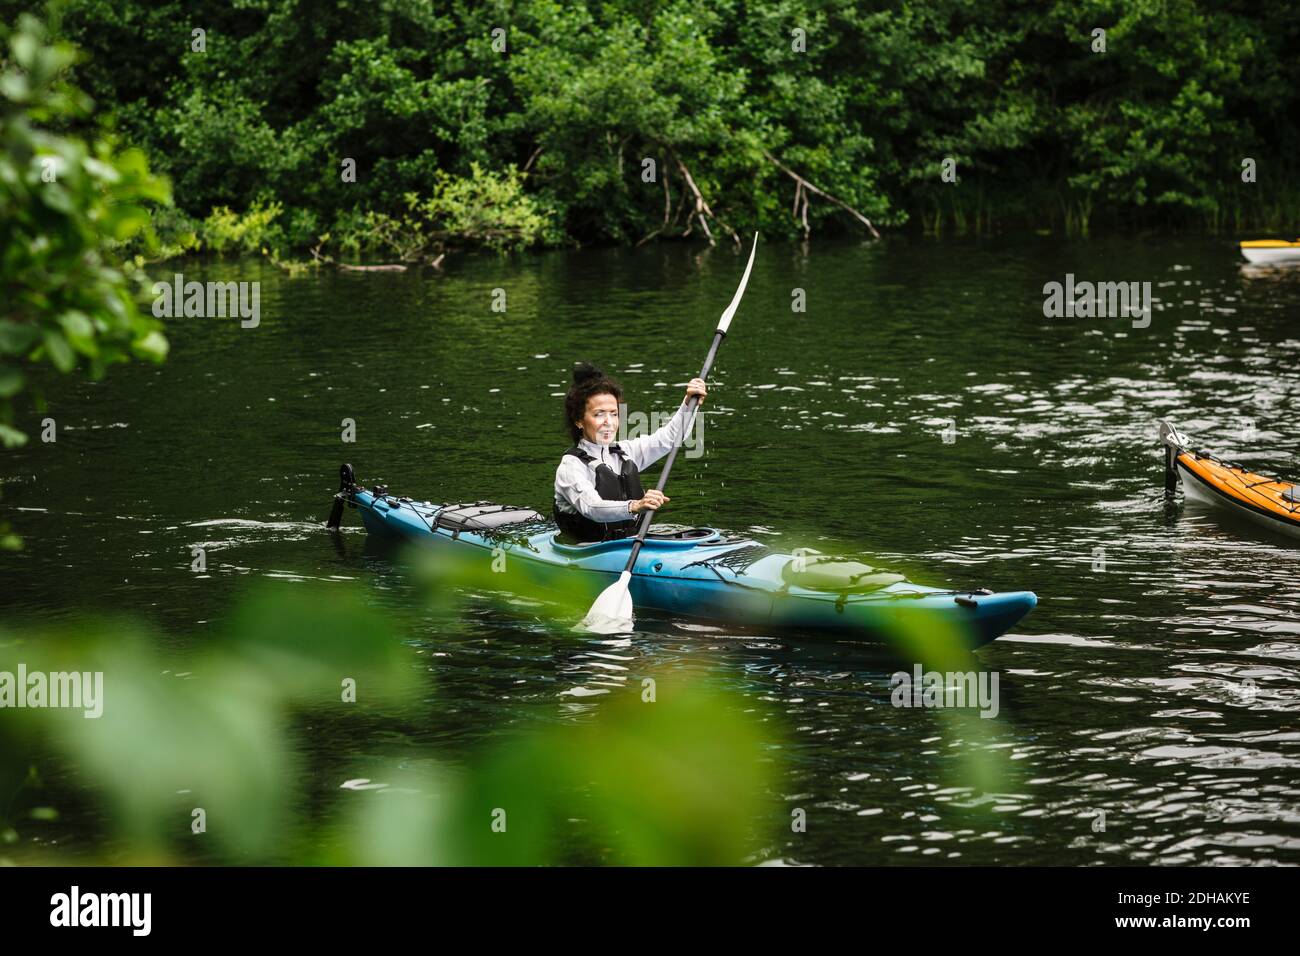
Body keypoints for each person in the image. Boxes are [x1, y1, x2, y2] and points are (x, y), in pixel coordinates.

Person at [554, 362, 707, 543]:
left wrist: (689, 404)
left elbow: (669, 439)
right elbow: (592, 507)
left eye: (614, 413)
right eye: (599, 414)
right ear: (579, 420)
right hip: (586, 552)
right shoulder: (570, 466)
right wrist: (635, 505)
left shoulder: (625, 452)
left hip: (630, 544)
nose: (608, 422)